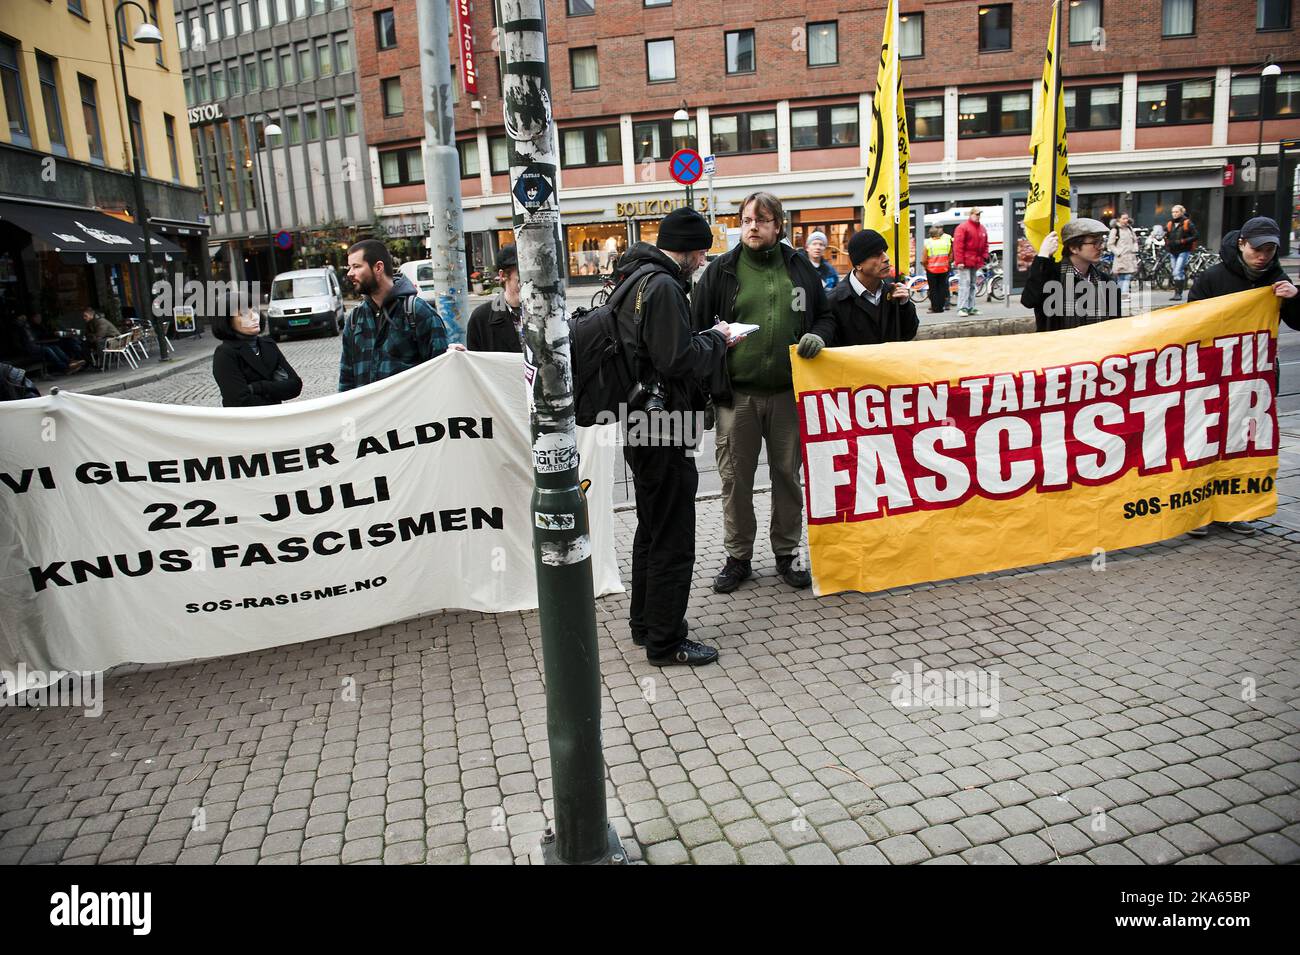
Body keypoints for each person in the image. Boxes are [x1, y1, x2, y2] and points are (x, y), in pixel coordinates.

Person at [691, 190, 836, 593]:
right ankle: (738, 557)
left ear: (779, 226)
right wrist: (705, 393)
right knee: (736, 479)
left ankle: (786, 554)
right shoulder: (721, 271)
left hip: (788, 394)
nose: (752, 226)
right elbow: (695, 332)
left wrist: (817, 336)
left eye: (762, 219)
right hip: (736, 396)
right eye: (746, 220)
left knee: (787, 477)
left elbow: (825, 317)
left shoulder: (800, 267)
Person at [615, 208, 735, 667]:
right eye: (701, 250)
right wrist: (719, 340)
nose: (703, 259)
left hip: (637, 418)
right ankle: (666, 641)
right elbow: (676, 360)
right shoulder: (663, 286)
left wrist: (700, 337)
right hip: (663, 425)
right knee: (675, 537)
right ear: (685, 247)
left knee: (651, 526)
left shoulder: (634, 276)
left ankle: (645, 623)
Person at [1185, 216, 1300, 539]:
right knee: (1205, 443)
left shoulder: (1277, 279)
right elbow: (1190, 322)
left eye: (1269, 249)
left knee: (1244, 446)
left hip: (1254, 382)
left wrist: (1295, 296)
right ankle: (1198, 511)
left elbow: (1297, 321)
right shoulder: (1213, 277)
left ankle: (1234, 510)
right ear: (1241, 244)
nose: (1262, 255)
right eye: (1256, 248)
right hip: (1213, 377)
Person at [339, 239, 448, 391]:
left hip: (411, 412)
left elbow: (441, 371)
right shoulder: (355, 318)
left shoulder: (417, 311)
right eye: (350, 267)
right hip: (369, 413)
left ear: (378, 267)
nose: (350, 273)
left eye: (356, 266)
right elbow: (347, 378)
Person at [800, 229, 918, 354]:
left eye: (884, 252)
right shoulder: (834, 301)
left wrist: (905, 306)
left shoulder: (894, 290)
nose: (886, 258)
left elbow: (908, 334)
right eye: (876, 255)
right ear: (858, 265)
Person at [1020, 218, 1120, 332]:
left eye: (1101, 242)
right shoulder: (1051, 276)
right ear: (1073, 248)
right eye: (1095, 243)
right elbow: (1028, 301)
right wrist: (1043, 256)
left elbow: (1114, 327)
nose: (1101, 247)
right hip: (1060, 347)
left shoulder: (1107, 282)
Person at [211, 301, 302, 407]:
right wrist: (276, 389)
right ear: (228, 321)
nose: (254, 317)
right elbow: (238, 400)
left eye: (254, 311)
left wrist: (258, 387)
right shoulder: (225, 353)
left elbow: (295, 385)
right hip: (246, 421)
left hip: (276, 417)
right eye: (244, 314)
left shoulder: (268, 345)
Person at [466, 245, 523, 353]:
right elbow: (475, 364)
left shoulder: (550, 314)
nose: (528, 284)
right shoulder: (481, 318)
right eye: (522, 276)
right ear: (503, 275)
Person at [10, 314, 83, 375]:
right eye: (21, 318)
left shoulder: (31, 327)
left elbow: (41, 336)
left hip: (37, 345)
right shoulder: (18, 329)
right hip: (30, 348)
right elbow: (19, 344)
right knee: (48, 349)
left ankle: (69, 362)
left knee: (54, 347)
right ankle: (64, 368)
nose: (23, 318)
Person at [953, 207, 989, 316]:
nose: (978, 216)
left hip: (975, 261)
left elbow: (985, 244)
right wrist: (959, 261)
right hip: (965, 261)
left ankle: (971, 306)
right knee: (965, 283)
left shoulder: (981, 228)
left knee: (973, 284)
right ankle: (962, 307)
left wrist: (984, 256)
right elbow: (958, 245)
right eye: (976, 214)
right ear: (971, 214)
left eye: (979, 214)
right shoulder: (963, 227)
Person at [1164, 204, 1198, 301]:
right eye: (1173, 212)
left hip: (1183, 250)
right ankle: (1177, 293)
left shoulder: (1187, 223)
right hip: (1172, 251)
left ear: (1182, 212)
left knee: (1177, 271)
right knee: (1176, 272)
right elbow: (1165, 233)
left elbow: (1196, 235)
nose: (1174, 214)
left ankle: (1178, 294)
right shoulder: (1170, 223)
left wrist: (1183, 241)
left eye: (1176, 212)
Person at [1107, 212, 1139, 299]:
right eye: (1124, 218)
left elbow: (1135, 240)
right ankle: (1123, 294)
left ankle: (1121, 294)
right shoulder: (1115, 230)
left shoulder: (1129, 228)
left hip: (1130, 257)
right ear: (1119, 219)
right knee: (1122, 276)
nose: (1126, 220)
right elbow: (1110, 244)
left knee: (1127, 275)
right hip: (1121, 257)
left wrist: (1135, 249)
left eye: (1127, 218)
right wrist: (1118, 252)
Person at [923, 225, 953, 313]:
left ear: (930, 234)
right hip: (944, 269)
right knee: (942, 288)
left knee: (933, 289)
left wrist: (926, 266)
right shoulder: (945, 243)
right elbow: (950, 255)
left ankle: (935, 308)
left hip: (932, 270)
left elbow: (924, 259)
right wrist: (947, 264)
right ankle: (941, 307)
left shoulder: (928, 243)